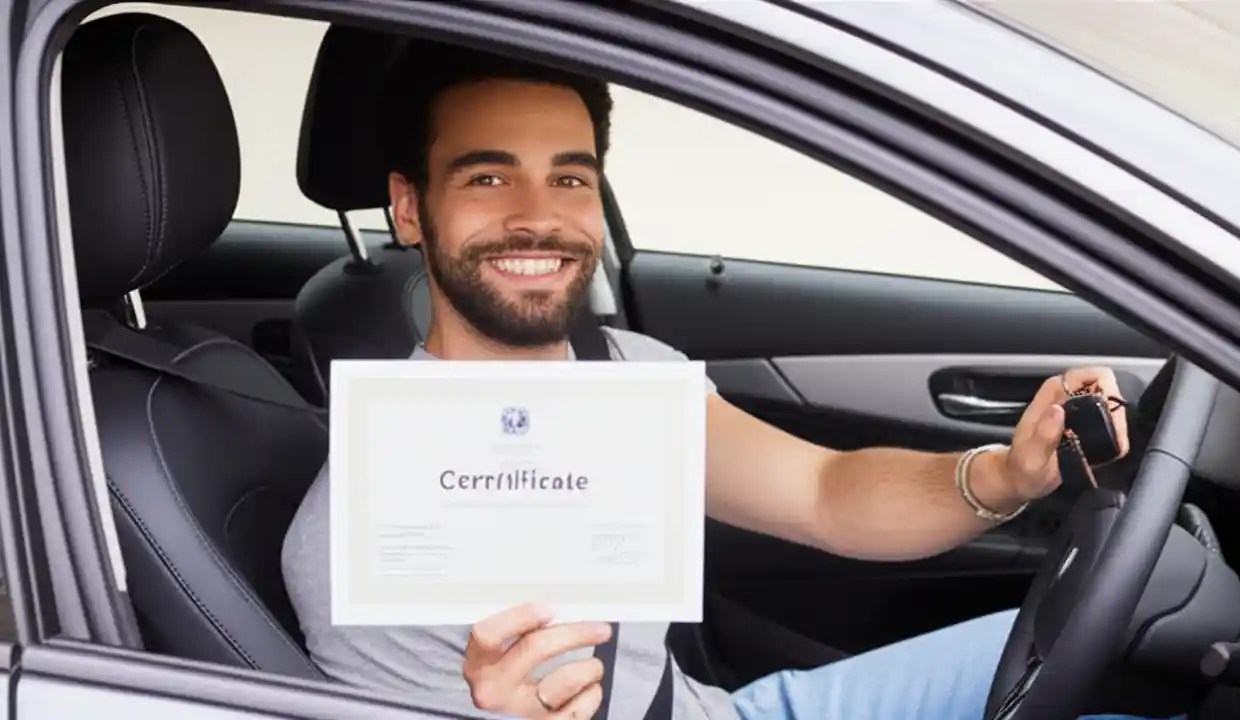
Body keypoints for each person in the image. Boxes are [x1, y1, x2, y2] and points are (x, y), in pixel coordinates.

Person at [281, 44, 1173, 720]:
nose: (537, 218)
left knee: (1133, 653)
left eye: (570, 179)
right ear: (409, 205)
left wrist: (1000, 476)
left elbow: (825, 493)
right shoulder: (359, 531)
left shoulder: (627, 372)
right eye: (487, 176)